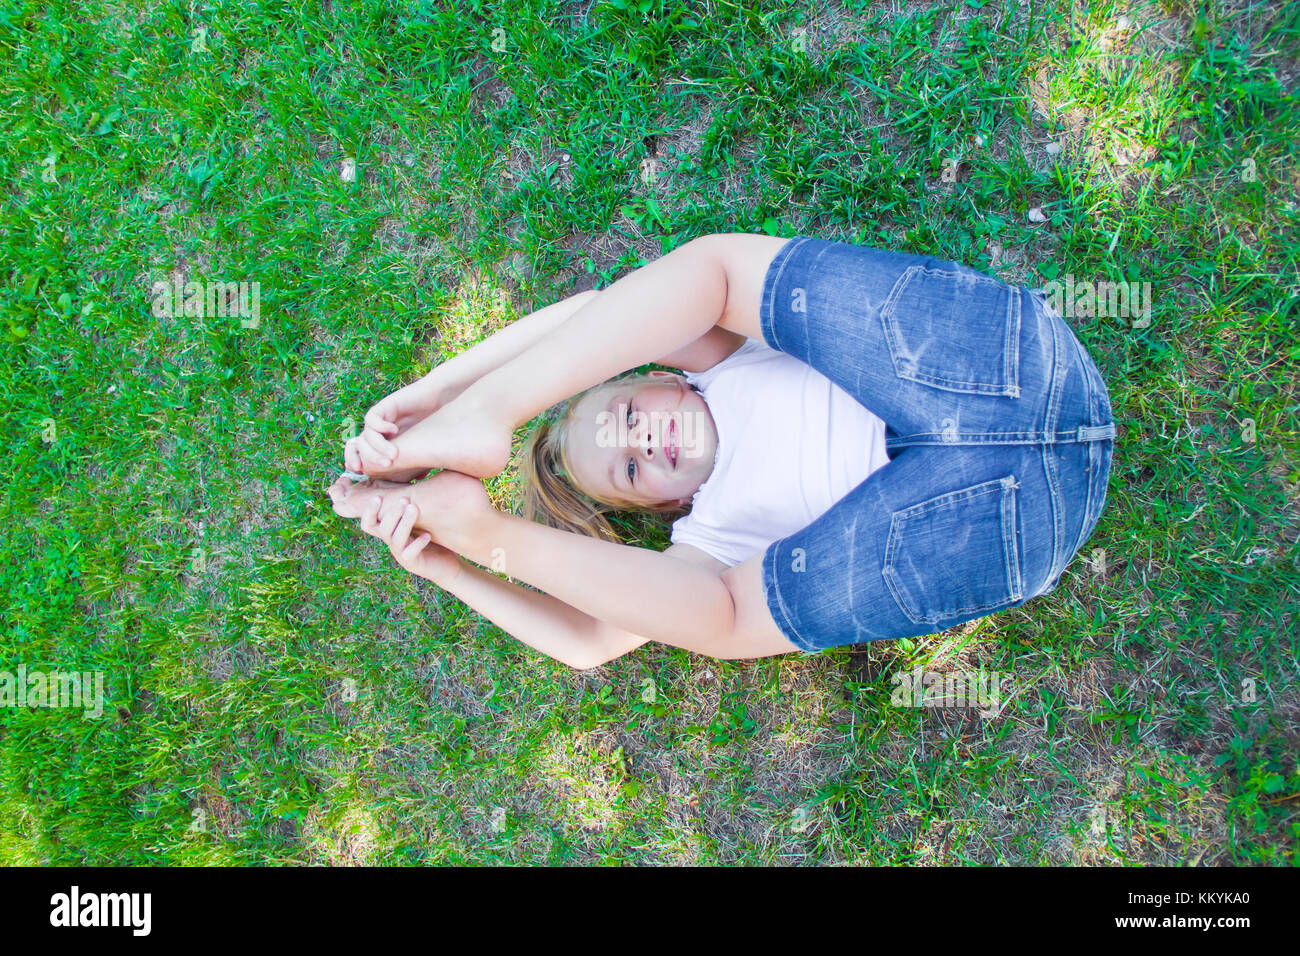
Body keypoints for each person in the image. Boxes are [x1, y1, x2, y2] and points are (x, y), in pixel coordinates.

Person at [327, 233, 1116, 670]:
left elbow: (602, 309)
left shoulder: (726, 360)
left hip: (1006, 360)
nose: (642, 437)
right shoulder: (711, 539)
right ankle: (484, 518)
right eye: (631, 467)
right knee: (722, 619)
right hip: (1011, 530)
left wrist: (451, 391)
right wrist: (463, 556)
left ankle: (488, 418)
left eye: (629, 412)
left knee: (709, 271)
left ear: (658, 373)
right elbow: (589, 641)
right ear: (666, 507)